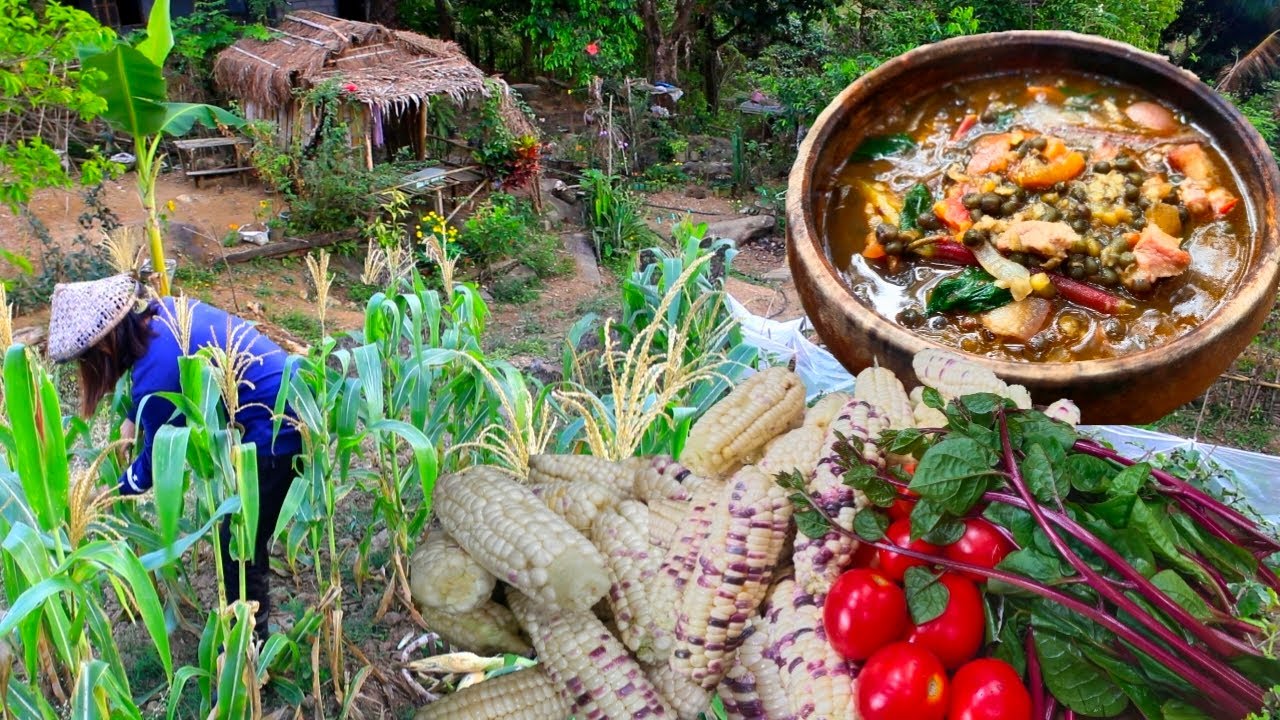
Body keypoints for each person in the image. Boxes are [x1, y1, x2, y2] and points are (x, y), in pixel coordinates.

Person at [46, 273, 303, 641]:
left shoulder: (156, 374)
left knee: (240, 544)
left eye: (83, 363)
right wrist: (133, 421)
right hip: (289, 396)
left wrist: (103, 495)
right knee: (240, 531)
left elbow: (153, 465)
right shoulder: (164, 313)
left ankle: (250, 647)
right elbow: (162, 384)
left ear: (103, 349)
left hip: (280, 427)